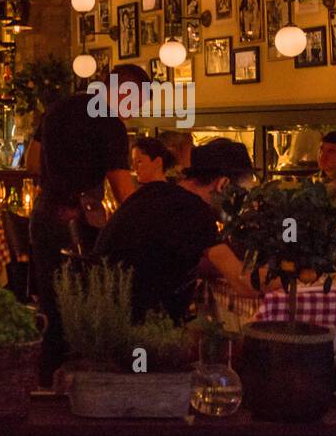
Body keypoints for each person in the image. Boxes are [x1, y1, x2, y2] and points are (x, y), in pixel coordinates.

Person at [30, 63, 147, 381]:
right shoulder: (109, 122)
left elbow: (30, 160)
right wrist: (149, 216)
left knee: (52, 306)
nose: (134, 110)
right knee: (82, 310)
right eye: (136, 101)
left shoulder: (58, 107)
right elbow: (124, 190)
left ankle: (46, 382)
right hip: (77, 225)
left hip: (43, 216)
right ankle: (80, 383)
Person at [94, 138, 258, 324]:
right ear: (223, 184)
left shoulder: (155, 194)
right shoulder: (193, 210)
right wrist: (294, 271)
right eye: (242, 193)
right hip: (135, 327)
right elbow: (246, 285)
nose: (243, 204)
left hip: (100, 316)